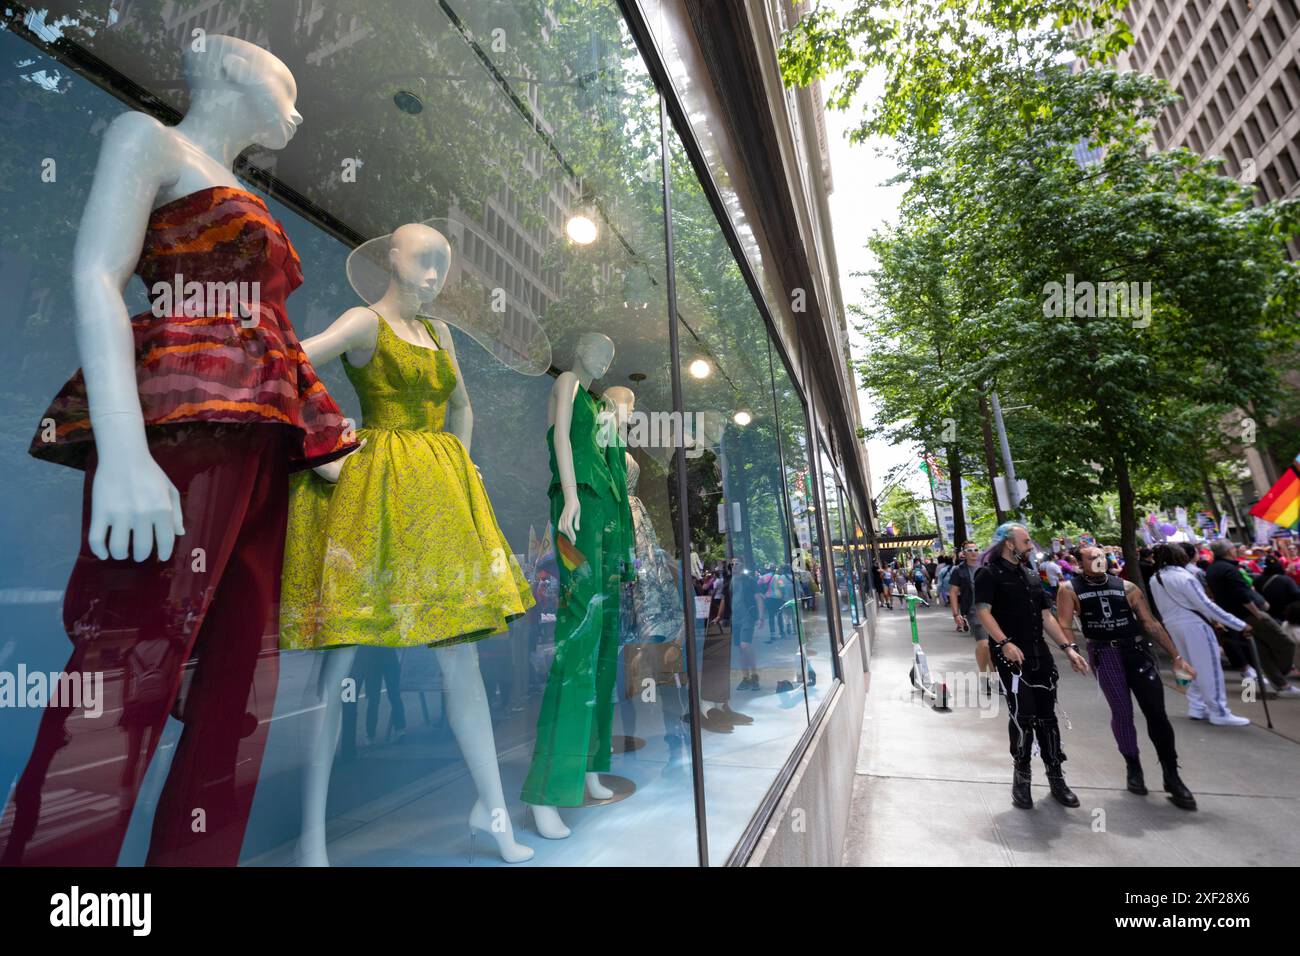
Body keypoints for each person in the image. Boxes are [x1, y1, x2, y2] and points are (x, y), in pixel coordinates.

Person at [1057, 545, 1197, 808]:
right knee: (1122, 713)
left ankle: (1172, 775)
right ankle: (1133, 766)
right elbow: (1064, 625)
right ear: (1079, 562)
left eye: (1101, 556)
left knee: (1157, 713)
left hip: (1137, 652)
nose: (1098, 561)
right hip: (1105, 655)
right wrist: (1072, 651)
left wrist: (1177, 656)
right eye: (1091, 558)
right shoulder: (1069, 589)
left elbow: (1150, 623)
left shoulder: (1127, 587)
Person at [974, 522, 1089, 809]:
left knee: (1047, 718)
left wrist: (1069, 648)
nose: (1031, 546)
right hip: (1011, 658)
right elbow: (983, 613)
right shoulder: (988, 574)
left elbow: (1046, 616)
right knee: (1022, 717)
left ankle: (1056, 777)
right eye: (1026, 541)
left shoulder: (1030, 575)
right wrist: (1004, 643)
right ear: (1009, 543)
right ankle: (1022, 779)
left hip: (1040, 656)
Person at [1149, 544, 1253, 727]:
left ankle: (1196, 706)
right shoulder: (1184, 577)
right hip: (1195, 625)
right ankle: (1218, 711)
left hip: (1173, 626)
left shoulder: (1155, 578)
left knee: (1186, 667)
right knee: (1209, 669)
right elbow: (1206, 605)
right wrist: (1238, 624)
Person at [1206, 541, 1300, 696]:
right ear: (1229, 551)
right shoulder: (1228, 569)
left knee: (1262, 651)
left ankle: (1281, 685)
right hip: (1249, 615)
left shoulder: (1214, 568)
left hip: (1238, 615)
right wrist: (1257, 612)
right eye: (1235, 547)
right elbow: (1240, 594)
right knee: (1285, 643)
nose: (1237, 550)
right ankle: (1281, 673)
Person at [950, 540, 997, 694]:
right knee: (984, 644)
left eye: (976, 549)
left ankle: (994, 678)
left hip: (993, 610)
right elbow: (953, 592)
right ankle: (986, 677)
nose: (973, 552)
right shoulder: (959, 570)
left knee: (992, 646)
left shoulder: (987, 566)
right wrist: (956, 614)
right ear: (964, 553)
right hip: (973, 611)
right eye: (969, 550)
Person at [937, 556, 955, 621]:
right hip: (958, 591)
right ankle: (962, 620)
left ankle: (959, 623)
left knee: (954, 608)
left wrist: (938, 593)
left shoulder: (942, 570)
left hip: (947, 592)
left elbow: (939, 583)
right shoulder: (957, 568)